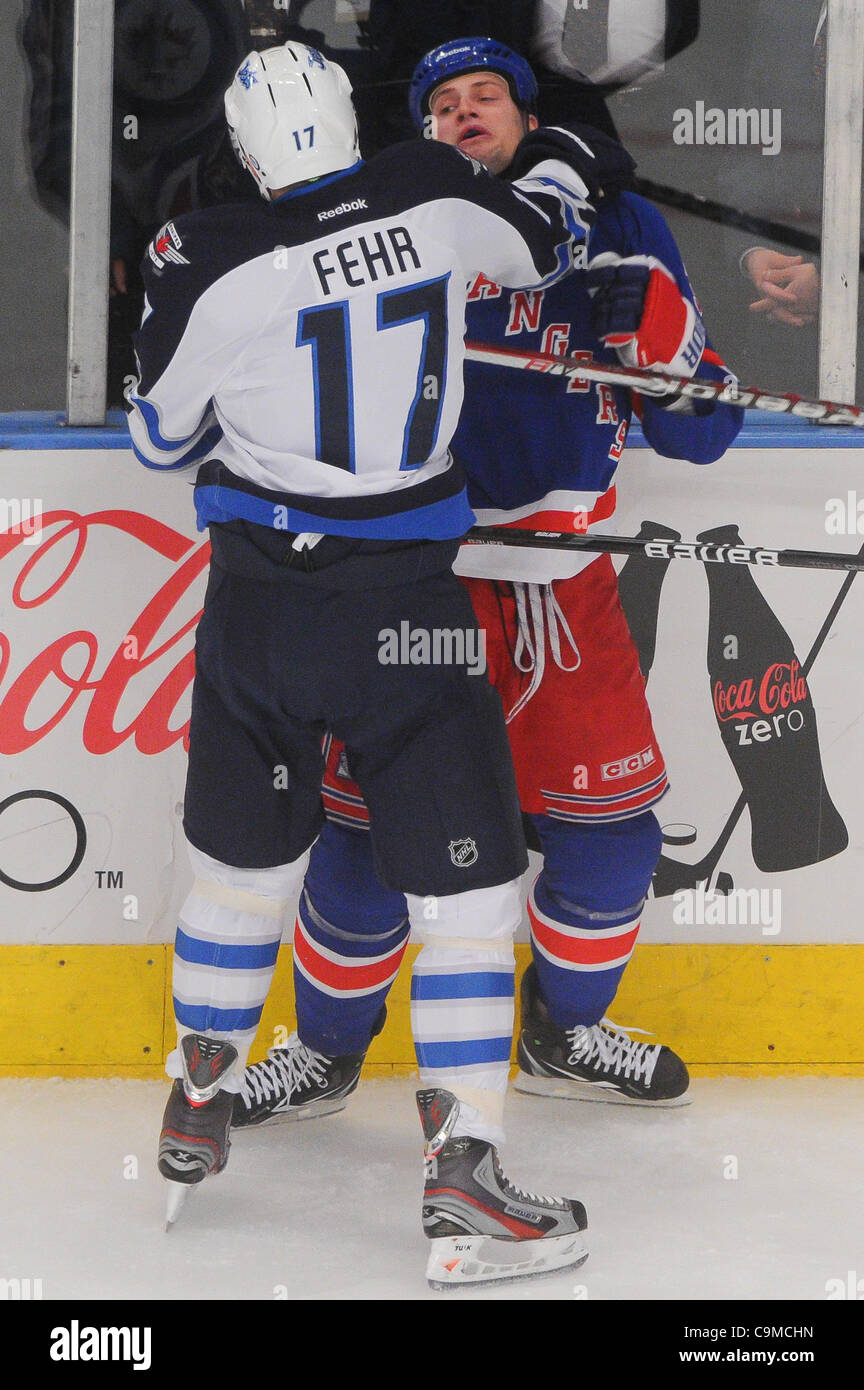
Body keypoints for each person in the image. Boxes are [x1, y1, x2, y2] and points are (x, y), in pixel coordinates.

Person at [127, 39, 619, 1285]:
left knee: (241, 875)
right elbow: (546, 244)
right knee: (464, 900)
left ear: (243, 154)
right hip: (410, 612)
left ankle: (198, 1091)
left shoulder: (204, 262)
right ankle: (464, 1184)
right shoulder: (429, 187)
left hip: (254, 618)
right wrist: (563, 151)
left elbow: (158, 437)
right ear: (351, 119)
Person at [232, 38, 743, 1139]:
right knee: (366, 843)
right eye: (442, 103)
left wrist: (657, 361)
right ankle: (323, 1050)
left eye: (486, 98)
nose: (465, 114)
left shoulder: (620, 231)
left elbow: (702, 431)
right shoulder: (381, 235)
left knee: (613, 840)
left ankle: (563, 1032)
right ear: (418, 134)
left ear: (523, 116)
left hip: (561, 589)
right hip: (414, 581)